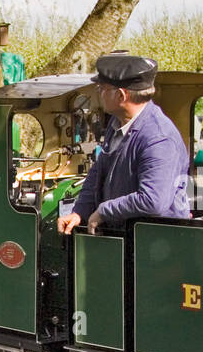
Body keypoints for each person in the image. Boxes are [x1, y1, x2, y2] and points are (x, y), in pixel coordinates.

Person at [57, 54, 191, 235]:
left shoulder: (159, 139)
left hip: (155, 243)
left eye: (102, 88)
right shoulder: (116, 123)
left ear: (121, 95)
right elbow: (99, 171)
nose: (99, 93)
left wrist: (104, 211)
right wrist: (79, 212)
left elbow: (153, 200)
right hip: (124, 237)